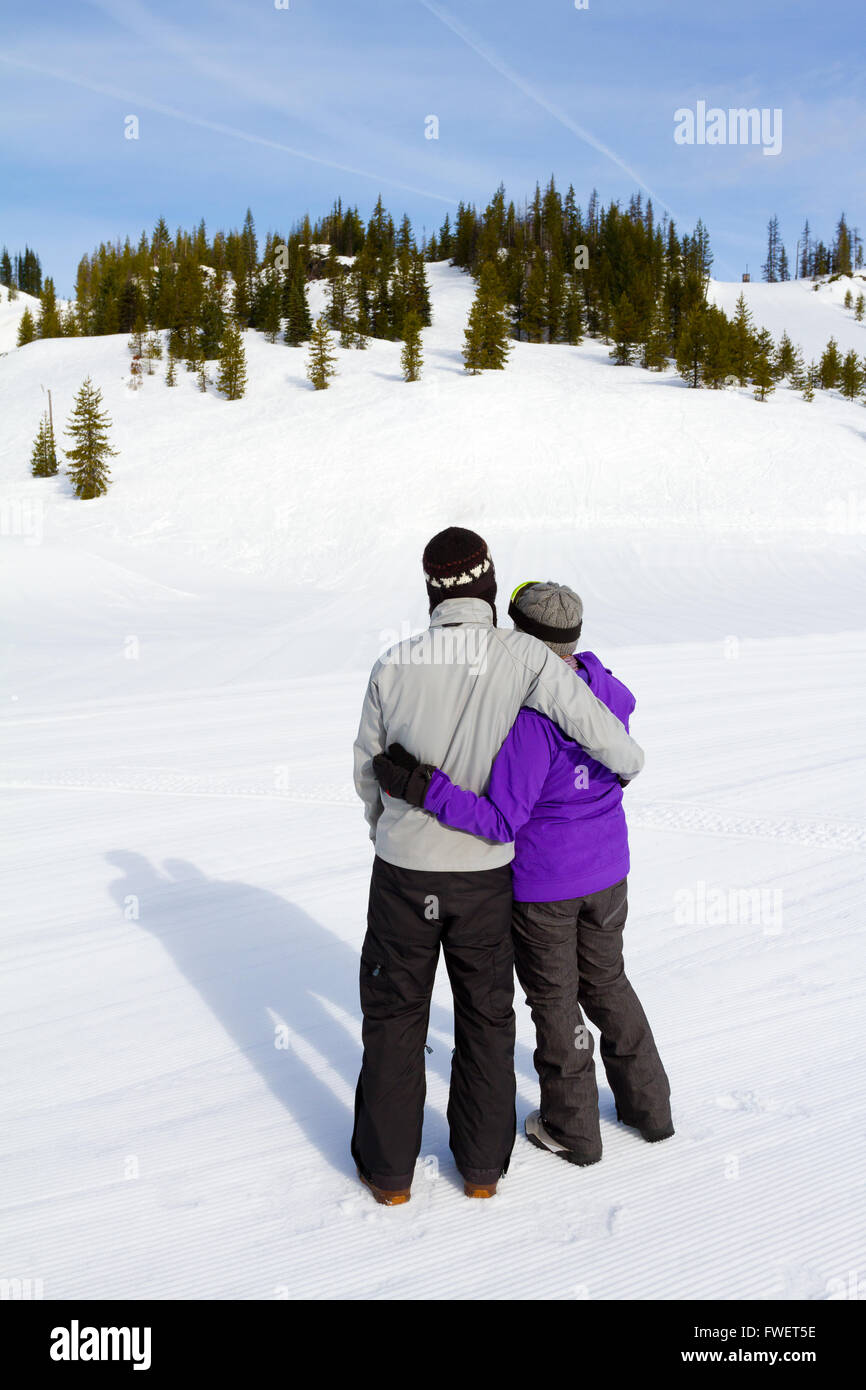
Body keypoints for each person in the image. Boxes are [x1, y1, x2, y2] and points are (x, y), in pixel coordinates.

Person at [352, 531, 645, 1204]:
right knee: (486, 1017)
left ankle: (390, 1175)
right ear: (487, 587)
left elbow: (370, 770)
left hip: (404, 873)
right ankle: (482, 1171)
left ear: (432, 590)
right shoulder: (524, 658)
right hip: (484, 876)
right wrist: (627, 763)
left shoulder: (393, 663)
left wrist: (383, 829)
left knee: (396, 1017)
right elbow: (592, 721)